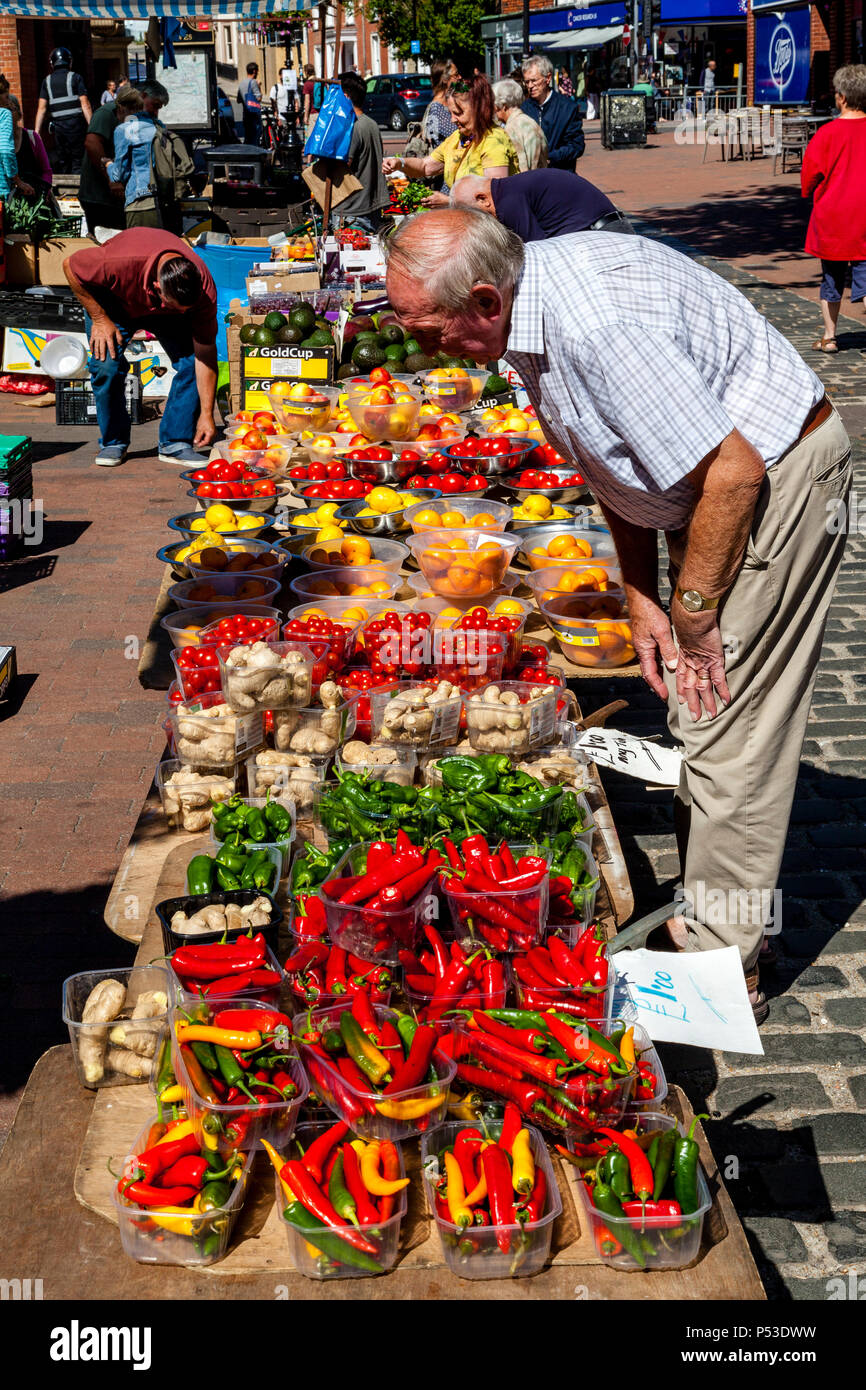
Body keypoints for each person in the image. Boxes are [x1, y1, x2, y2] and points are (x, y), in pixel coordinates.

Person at [383, 208, 851, 1023]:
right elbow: (620, 458)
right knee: (704, 710)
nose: (420, 347)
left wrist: (695, 610)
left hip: (771, 484)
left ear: (486, 302)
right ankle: (716, 908)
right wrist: (641, 596)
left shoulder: (595, 326)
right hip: (713, 493)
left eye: (428, 329)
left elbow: (733, 475)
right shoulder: (531, 308)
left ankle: (722, 965)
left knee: (729, 718)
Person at [63, 228, 218, 468]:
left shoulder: (201, 291)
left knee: (190, 363)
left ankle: (175, 443)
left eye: (187, 309)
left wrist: (207, 414)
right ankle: (113, 441)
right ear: (157, 287)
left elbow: (205, 355)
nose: (184, 314)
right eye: (177, 307)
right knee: (106, 367)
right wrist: (99, 318)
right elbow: (70, 266)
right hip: (113, 304)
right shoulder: (115, 263)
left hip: (163, 312)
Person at [801, 64, 866, 351]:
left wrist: (809, 191)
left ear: (841, 97)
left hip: (834, 216)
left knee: (831, 278)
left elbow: (810, 176)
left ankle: (830, 336)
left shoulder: (826, 134)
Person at [383, 72, 517, 205]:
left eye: (458, 113)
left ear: (480, 109)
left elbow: (495, 198)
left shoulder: (494, 140)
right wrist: (399, 163)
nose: (453, 120)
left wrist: (449, 201)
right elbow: (425, 166)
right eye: (451, 113)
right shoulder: (459, 137)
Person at [451, 168, 633, 240]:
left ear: (482, 198)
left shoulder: (507, 202)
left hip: (606, 235)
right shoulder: (509, 190)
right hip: (603, 228)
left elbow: (537, 251)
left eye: (472, 214)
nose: (475, 221)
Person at [107, 81, 173, 231]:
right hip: (163, 201)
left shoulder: (124, 130)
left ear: (121, 108)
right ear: (142, 97)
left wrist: (108, 165)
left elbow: (119, 175)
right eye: (155, 106)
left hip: (139, 202)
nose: (156, 112)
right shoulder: (159, 127)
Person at [78, 81, 140, 235]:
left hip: (117, 197)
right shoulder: (105, 114)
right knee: (104, 242)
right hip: (98, 196)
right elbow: (92, 143)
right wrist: (111, 179)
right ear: (121, 107)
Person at [337, 72, 389, 233]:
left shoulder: (352, 126)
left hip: (353, 210)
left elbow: (345, 165)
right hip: (370, 204)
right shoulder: (371, 123)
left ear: (345, 96)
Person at [35, 47, 92, 174]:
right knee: (78, 160)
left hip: (58, 128)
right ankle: (79, 190)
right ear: (69, 62)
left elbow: (42, 108)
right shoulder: (76, 77)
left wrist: (37, 133)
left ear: (52, 63)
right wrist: (93, 127)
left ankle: (66, 190)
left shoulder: (47, 81)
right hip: (76, 126)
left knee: (63, 160)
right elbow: (85, 104)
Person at [521, 54, 584, 169]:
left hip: (560, 175)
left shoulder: (567, 107)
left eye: (534, 81)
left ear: (548, 78)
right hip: (532, 177)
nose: (530, 86)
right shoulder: (524, 108)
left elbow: (576, 146)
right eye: (527, 82)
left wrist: (550, 157)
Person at [492, 78, 548, 172]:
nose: (494, 110)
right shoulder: (530, 122)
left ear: (504, 106)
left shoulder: (511, 129)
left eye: (495, 106)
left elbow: (521, 170)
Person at [422, 60, 458, 150]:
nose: (459, 77)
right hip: (445, 162)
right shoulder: (436, 108)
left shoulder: (449, 101)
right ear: (445, 79)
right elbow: (456, 135)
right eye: (456, 75)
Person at [238, 62, 263, 146]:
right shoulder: (253, 82)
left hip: (245, 114)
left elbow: (238, 100)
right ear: (254, 71)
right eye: (257, 71)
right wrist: (259, 86)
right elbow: (259, 98)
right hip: (254, 115)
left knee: (248, 137)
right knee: (255, 137)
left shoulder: (241, 83)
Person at [0, 94, 15, 199]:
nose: (9, 101)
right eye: (6, 97)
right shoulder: (4, 114)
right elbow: (5, 150)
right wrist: (16, 179)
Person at [302, 63, 321, 131]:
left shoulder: (307, 84)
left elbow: (307, 102)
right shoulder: (321, 82)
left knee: (311, 138)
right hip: (322, 113)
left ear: (306, 72)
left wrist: (306, 116)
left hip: (313, 113)